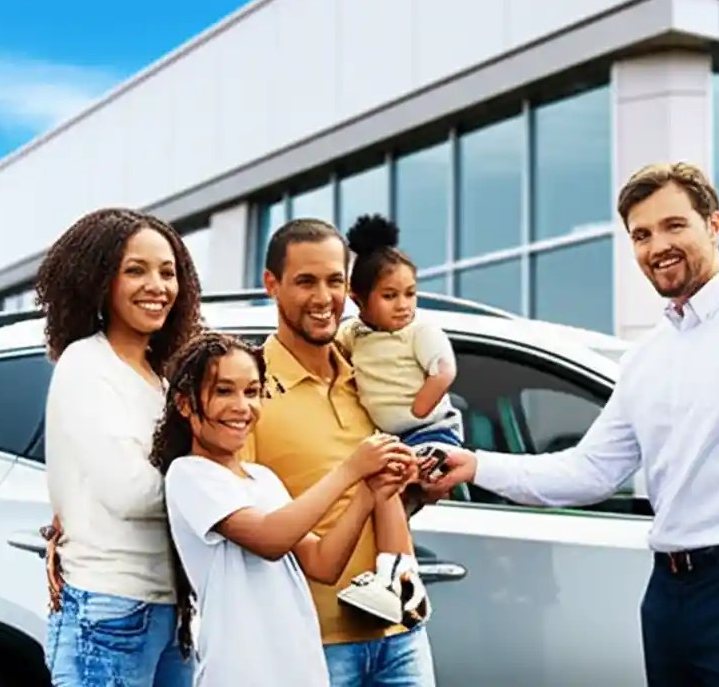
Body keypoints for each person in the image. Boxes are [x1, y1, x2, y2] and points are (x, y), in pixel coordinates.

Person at [426, 162, 719, 687]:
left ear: (714, 224)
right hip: (668, 598)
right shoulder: (647, 356)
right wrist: (474, 464)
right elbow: (589, 471)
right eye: (641, 235)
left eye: (674, 226)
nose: (657, 246)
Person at [148, 331, 416, 687]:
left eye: (252, 391)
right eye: (224, 391)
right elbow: (270, 539)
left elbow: (323, 562)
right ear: (184, 404)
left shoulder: (263, 479)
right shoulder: (190, 474)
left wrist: (368, 492)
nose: (242, 406)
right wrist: (350, 469)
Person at [239, 217, 438, 687]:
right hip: (313, 642)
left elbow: (386, 495)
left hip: (403, 631)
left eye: (335, 281)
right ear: (271, 284)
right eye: (306, 281)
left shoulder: (369, 372)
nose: (324, 298)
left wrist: (418, 486)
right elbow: (247, 526)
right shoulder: (246, 388)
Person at [36, 207, 203, 687]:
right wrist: (217, 488)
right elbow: (131, 493)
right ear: (98, 281)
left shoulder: (161, 377)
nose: (158, 286)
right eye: (136, 270)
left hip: (169, 611)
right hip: (111, 610)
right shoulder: (87, 364)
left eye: (168, 272)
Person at [330, 214, 462, 626]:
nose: (404, 304)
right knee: (390, 492)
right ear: (359, 299)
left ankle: (400, 585)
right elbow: (331, 352)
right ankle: (394, 578)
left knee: (391, 485)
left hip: (433, 432)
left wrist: (422, 406)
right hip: (396, 438)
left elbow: (444, 371)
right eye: (390, 295)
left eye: (410, 293)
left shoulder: (419, 331)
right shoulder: (356, 335)